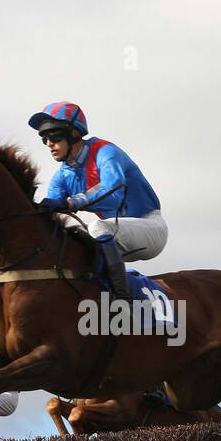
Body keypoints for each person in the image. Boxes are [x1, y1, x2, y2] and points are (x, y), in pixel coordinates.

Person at [28, 101, 168, 300]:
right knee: (72, 244)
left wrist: (70, 203)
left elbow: (114, 193)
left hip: (150, 227)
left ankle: (121, 299)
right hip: (117, 233)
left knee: (97, 228)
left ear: (74, 133)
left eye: (54, 134)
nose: (49, 143)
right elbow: (50, 211)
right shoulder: (61, 176)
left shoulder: (105, 152)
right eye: (44, 137)